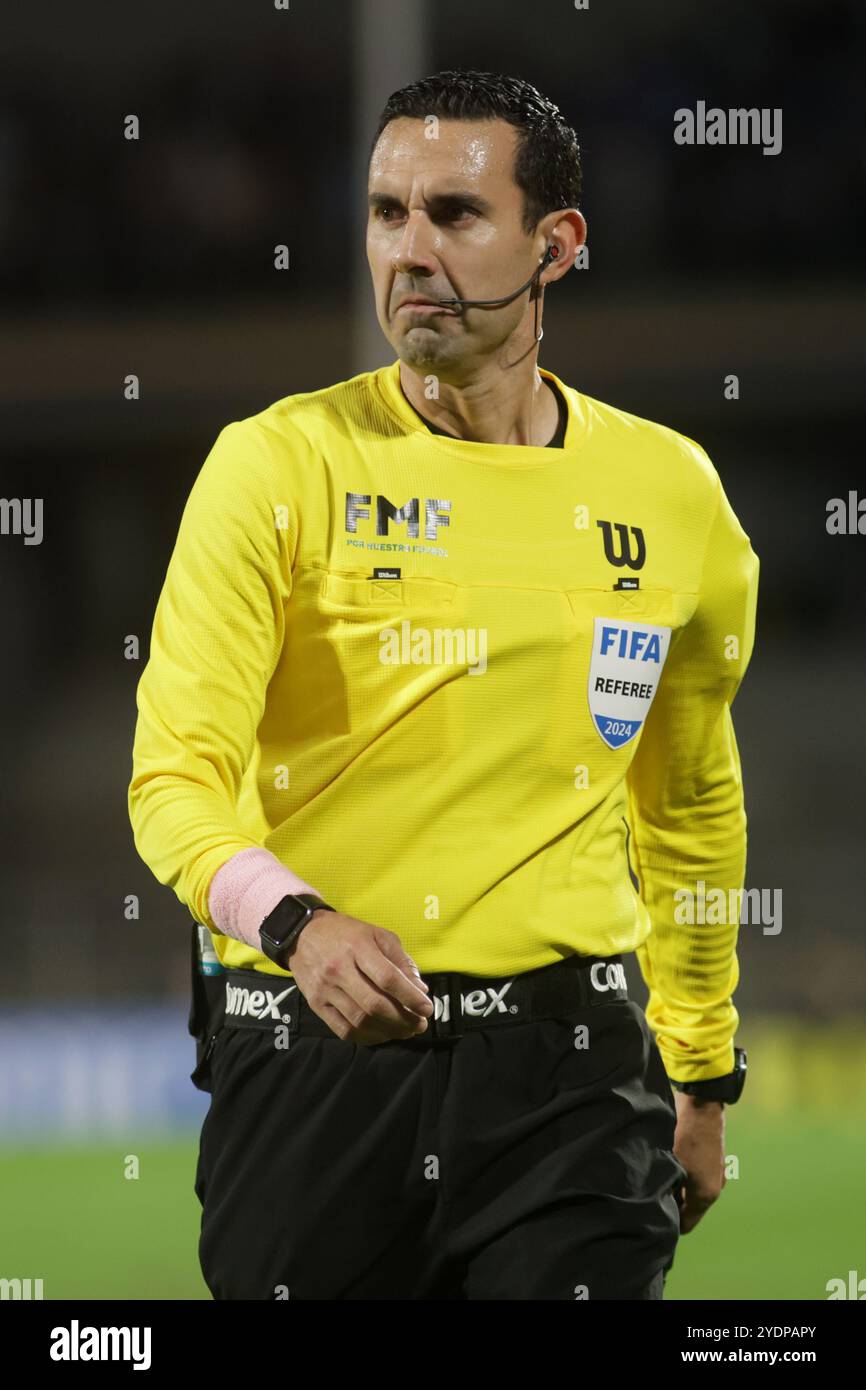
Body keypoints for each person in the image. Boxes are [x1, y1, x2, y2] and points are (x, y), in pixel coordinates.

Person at [128, 68, 759, 1300]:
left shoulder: (671, 494)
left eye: (453, 215)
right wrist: (298, 926)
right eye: (384, 213)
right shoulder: (273, 466)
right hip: (310, 1051)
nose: (408, 251)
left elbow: (686, 810)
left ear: (555, 243)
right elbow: (173, 781)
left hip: (570, 1078)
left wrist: (699, 1074)